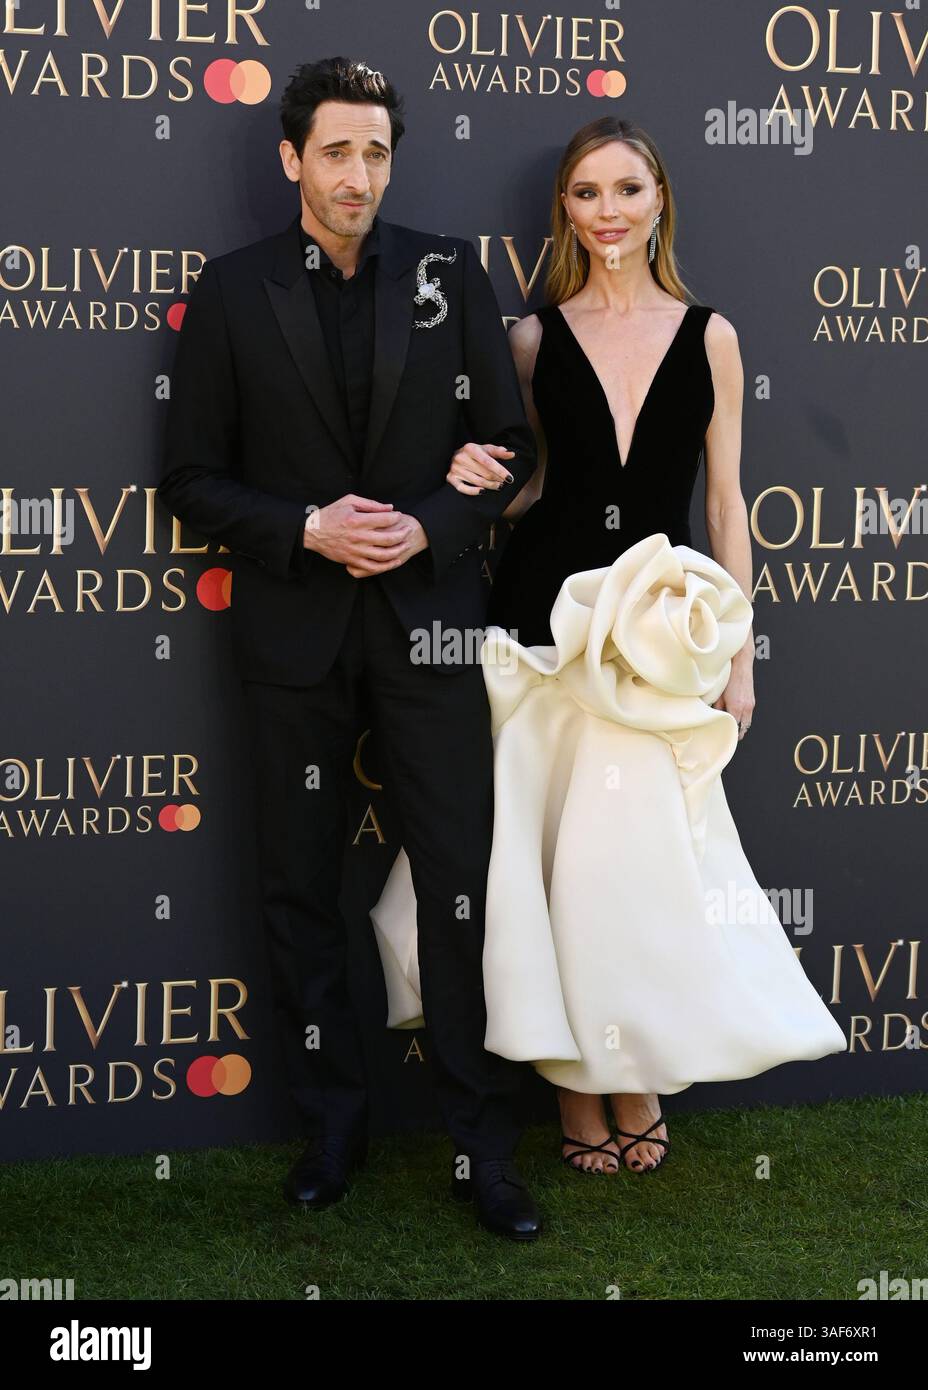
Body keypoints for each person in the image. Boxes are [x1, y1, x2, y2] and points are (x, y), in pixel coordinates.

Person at [369, 116, 847, 1176]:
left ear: (659, 198)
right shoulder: (532, 338)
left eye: (627, 189)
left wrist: (741, 657)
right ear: (567, 214)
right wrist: (462, 497)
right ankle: (578, 1090)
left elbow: (724, 504)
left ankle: (634, 1073)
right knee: (560, 872)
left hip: (661, 639)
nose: (609, 211)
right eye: (587, 195)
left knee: (638, 876)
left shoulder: (710, 335)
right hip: (547, 625)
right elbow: (533, 488)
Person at [157, 56, 543, 1239]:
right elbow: (189, 478)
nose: (358, 172)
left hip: (429, 627)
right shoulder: (228, 295)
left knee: (461, 886)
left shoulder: (447, 272)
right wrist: (309, 529)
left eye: (376, 151)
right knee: (298, 891)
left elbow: (510, 449)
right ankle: (331, 1130)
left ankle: (482, 1144)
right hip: (294, 638)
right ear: (290, 159)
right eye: (336, 150)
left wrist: (432, 520)